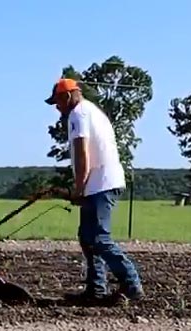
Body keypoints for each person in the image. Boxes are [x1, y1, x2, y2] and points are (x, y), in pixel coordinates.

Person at [45, 77, 144, 303]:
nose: (57, 108)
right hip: (99, 182)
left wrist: (78, 188)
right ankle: (95, 289)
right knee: (87, 238)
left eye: (57, 102)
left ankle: (131, 284)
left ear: (68, 96)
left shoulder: (78, 114)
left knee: (99, 238)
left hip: (101, 183)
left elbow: (82, 154)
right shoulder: (92, 111)